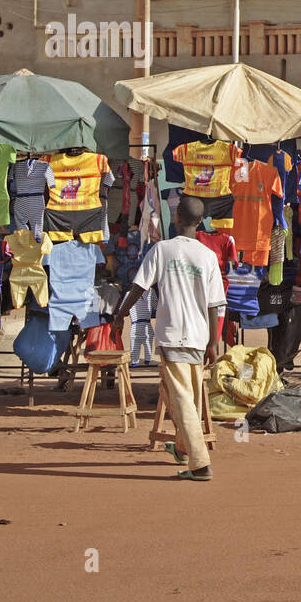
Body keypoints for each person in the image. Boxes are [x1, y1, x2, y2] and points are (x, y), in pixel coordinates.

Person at [114, 195, 224, 481]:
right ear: (201, 222)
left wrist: (120, 314)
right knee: (189, 397)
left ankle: (200, 464)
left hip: (173, 333)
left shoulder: (162, 250)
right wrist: (213, 342)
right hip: (199, 336)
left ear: (177, 219)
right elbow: (215, 304)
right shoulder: (207, 255)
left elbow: (139, 286)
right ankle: (184, 448)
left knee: (184, 398)